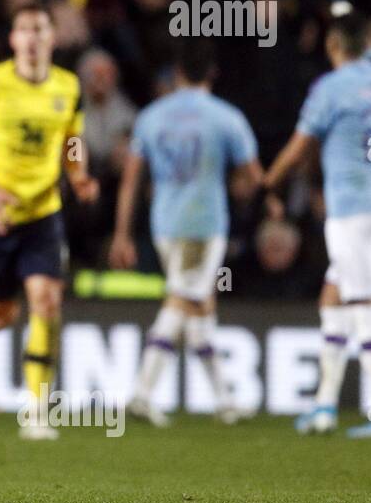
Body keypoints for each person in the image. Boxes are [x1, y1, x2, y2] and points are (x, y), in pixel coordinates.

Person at [0, 4, 99, 440]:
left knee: (46, 301)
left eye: (39, 29)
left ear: (52, 38)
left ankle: (37, 410)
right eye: (24, 29)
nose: (31, 38)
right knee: (0, 315)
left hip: (42, 212)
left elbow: (72, 141)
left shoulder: (68, 86)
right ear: (12, 39)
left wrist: (79, 176)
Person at [264, 11, 371, 438]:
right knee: (333, 298)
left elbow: (298, 147)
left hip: (353, 211)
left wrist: (268, 181)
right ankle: (324, 405)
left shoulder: (329, 88)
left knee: (364, 304)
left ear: (333, 49)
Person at [110, 43, 262, 426]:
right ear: (211, 73)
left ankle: (224, 400)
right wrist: (268, 199)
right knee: (182, 300)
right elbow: (252, 176)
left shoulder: (150, 117)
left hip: (164, 225)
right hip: (203, 224)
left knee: (199, 308)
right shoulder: (227, 117)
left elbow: (130, 182)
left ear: (177, 74)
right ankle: (142, 393)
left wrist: (122, 234)